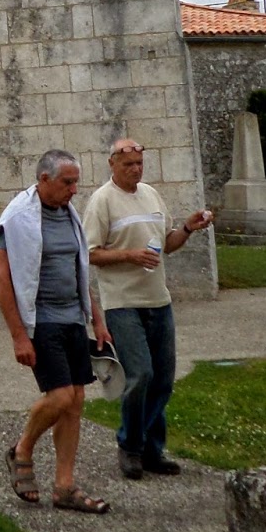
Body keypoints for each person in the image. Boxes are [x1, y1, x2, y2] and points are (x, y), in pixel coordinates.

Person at [83, 137, 214, 480]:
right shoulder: (102, 201)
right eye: (128, 164)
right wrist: (129, 255)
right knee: (140, 375)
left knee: (164, 380)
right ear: (112, 164)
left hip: (159, 300)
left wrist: (187, 227)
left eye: (139, 163)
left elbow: (166, 244)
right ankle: (130, 445)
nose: (135, 169)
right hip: (123, 302)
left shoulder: (152, 195)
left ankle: (153, 449)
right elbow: (90, 253)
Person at [0, 148, 114, 513]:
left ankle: (64, 486)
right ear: (43, 179)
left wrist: (97, 319)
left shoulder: (69, 215)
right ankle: (22, 448)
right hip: (40, 320)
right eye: (67, 182)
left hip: (72, 319)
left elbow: (79, 271)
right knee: (60, 397)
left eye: (76, 182)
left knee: (75, 402)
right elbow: (2, 278)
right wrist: (18, 335)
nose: (74, 189)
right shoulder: (18, 217)